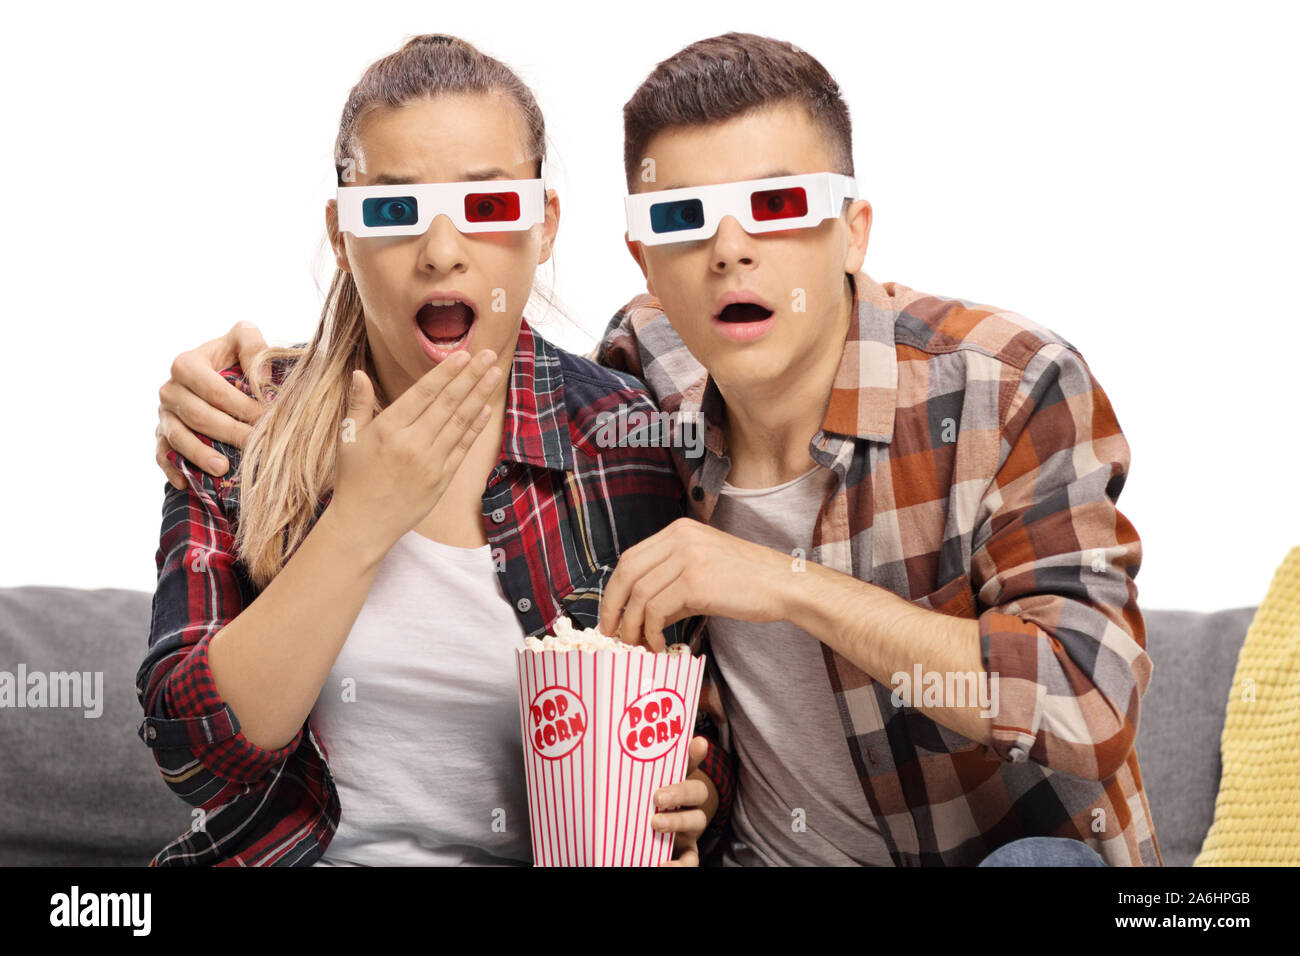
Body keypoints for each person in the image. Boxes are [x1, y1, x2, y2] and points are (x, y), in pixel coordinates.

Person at [154, 33, 1159, 866]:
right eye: (681, 219)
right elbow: (195, 756)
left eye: (777, 205)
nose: (730, 249)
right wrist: (346, 496)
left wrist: (774, 602)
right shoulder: (644, 384)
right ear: (642, 254)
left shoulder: (995, 386)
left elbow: (1084, 693)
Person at [137, 33, 730, 867]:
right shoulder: (241, 416)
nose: (443, 251)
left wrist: (696, 797)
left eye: (488, 209)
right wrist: (363, 520)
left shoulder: (623, 435)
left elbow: (696, 727)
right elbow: (195, 761)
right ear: (342, 235)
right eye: (392, 208)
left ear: (546, 226)